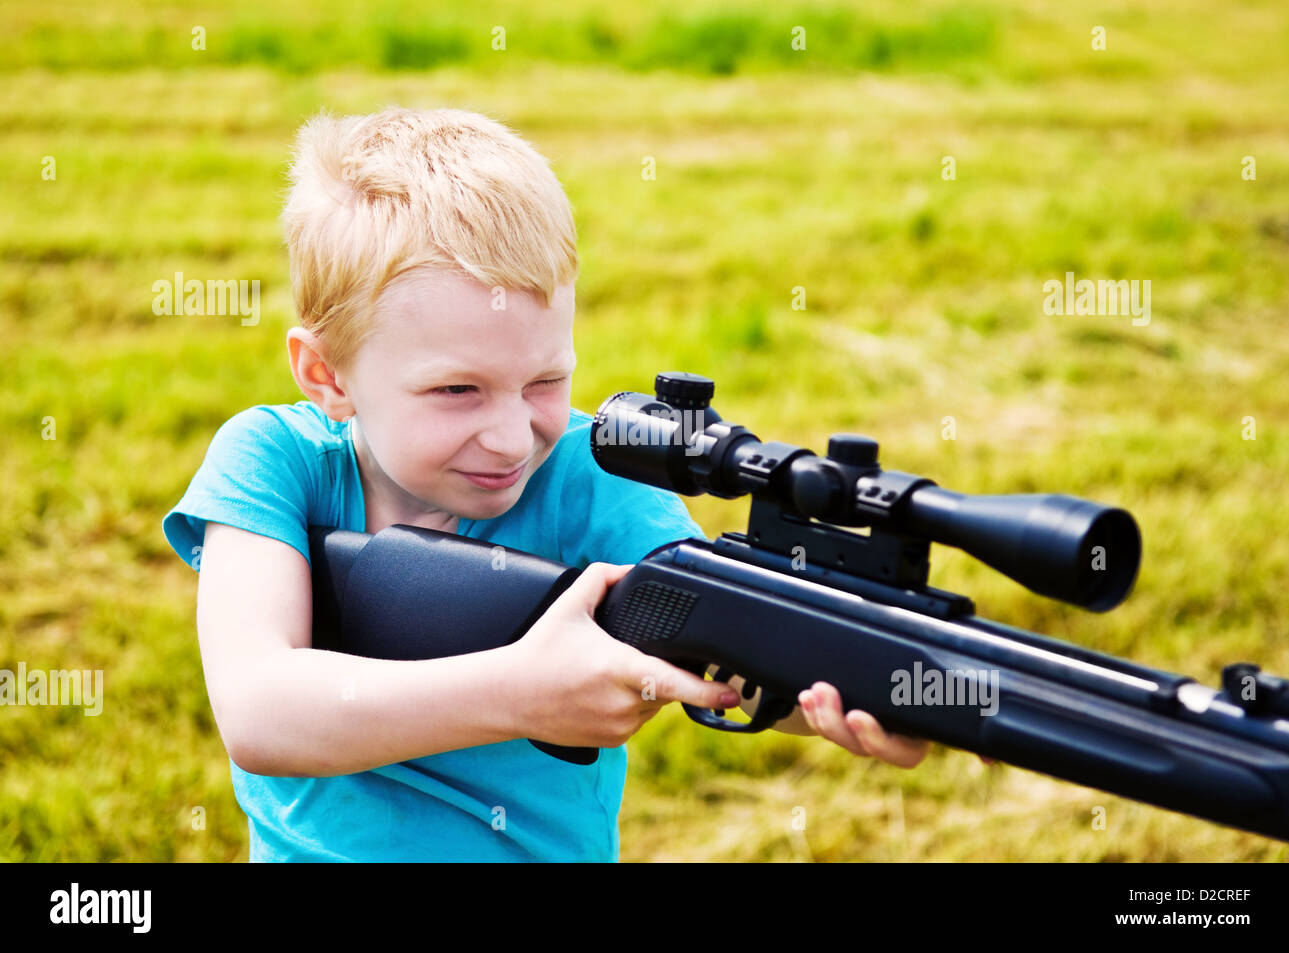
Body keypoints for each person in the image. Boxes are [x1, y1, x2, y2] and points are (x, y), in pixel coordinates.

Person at [161, 106, 930, 862]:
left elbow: (730, 645)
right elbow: (259, 711)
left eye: (544, 380)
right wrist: (520, 693)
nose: (509, 434)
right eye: (457, 391)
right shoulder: (273, 459)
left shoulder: (590, 475)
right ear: (326, 375)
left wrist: (858, 691)